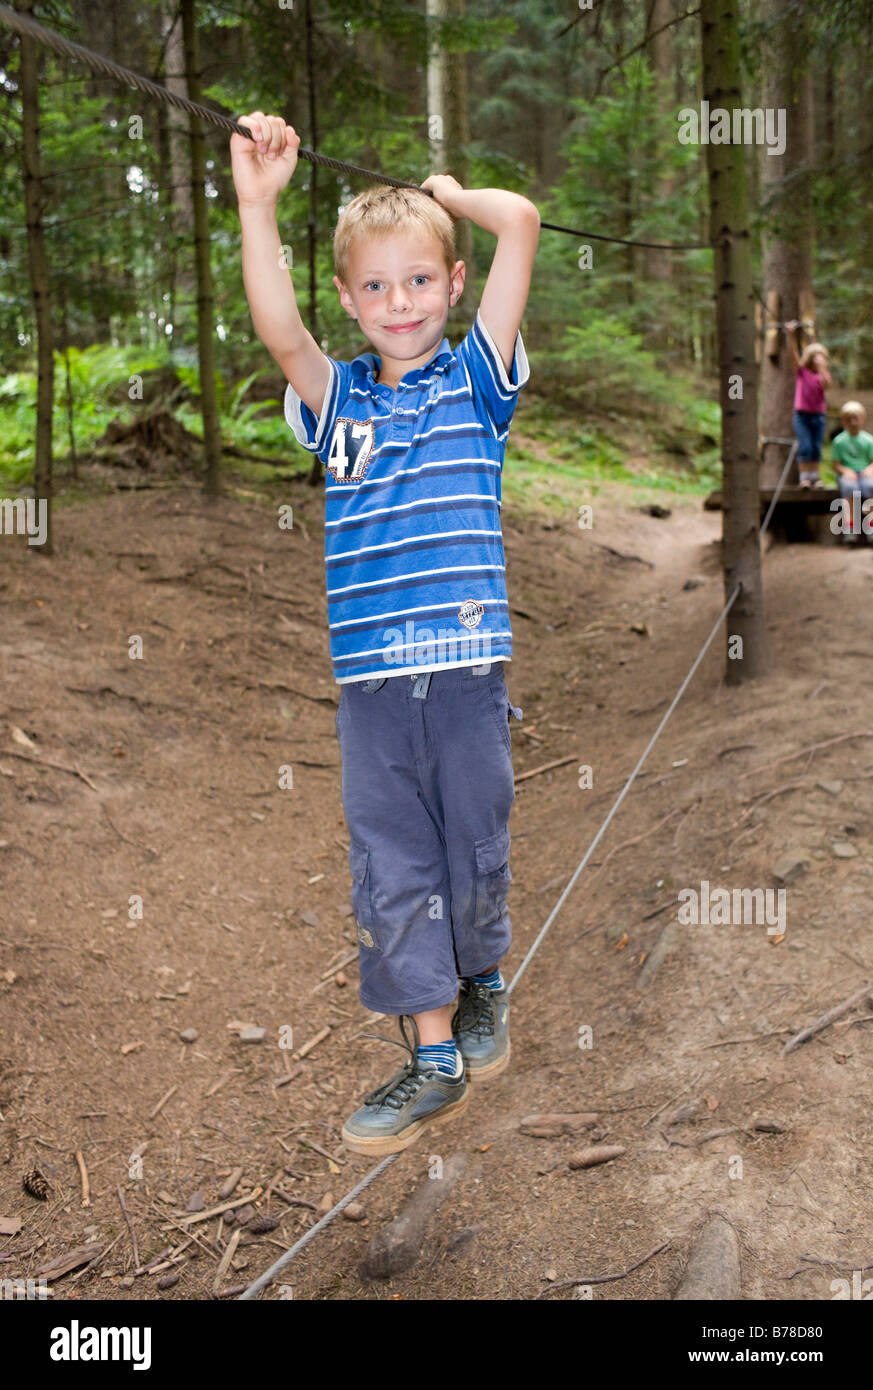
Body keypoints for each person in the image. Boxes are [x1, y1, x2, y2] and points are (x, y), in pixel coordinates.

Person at [231, 112, 539, 1156]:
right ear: (351, 300)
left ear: (452, 290)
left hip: (463, 673)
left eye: (419, 282)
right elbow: (280, 329)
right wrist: (258, 203)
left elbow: (524, 221)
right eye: (374, 286)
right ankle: (434, 1056)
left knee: (472, 844)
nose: (397, 304)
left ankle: (484, 977)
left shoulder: (477, 384)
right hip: (370, 689)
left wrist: (448, 200)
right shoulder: (338, 403)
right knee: (391, 862)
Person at [784, 324, 832, 486]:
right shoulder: (802, 372)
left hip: (818, 416)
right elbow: (793, 356)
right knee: (805, 446)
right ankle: (804, 477)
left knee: (816, 447)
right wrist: (790, 335)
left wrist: (822, 368)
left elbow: (826, 385)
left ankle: (815, 477)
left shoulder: (823, 374)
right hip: (802, 415)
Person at [831, 400, 873, 544]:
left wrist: (869, 469)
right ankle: (850, 528)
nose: (853, 422)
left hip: (865, 473)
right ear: (844, 421)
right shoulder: (839, 441)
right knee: (850, 489)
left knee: (870, 487)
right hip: (848, 474)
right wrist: (845, 471)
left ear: (862, 419)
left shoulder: (868, 440)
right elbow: (835, 465)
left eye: (856, 418)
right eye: (849, 419)